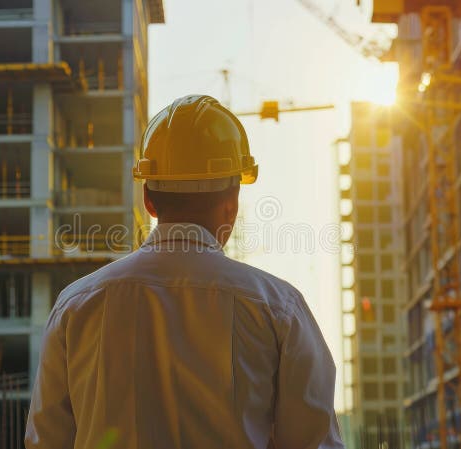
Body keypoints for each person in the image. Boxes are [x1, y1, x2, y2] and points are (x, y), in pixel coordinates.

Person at [25, 95, 344, 449]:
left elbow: (46, 441)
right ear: (232, 202)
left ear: (148, 198)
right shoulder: (278, 308)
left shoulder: (75, 306)